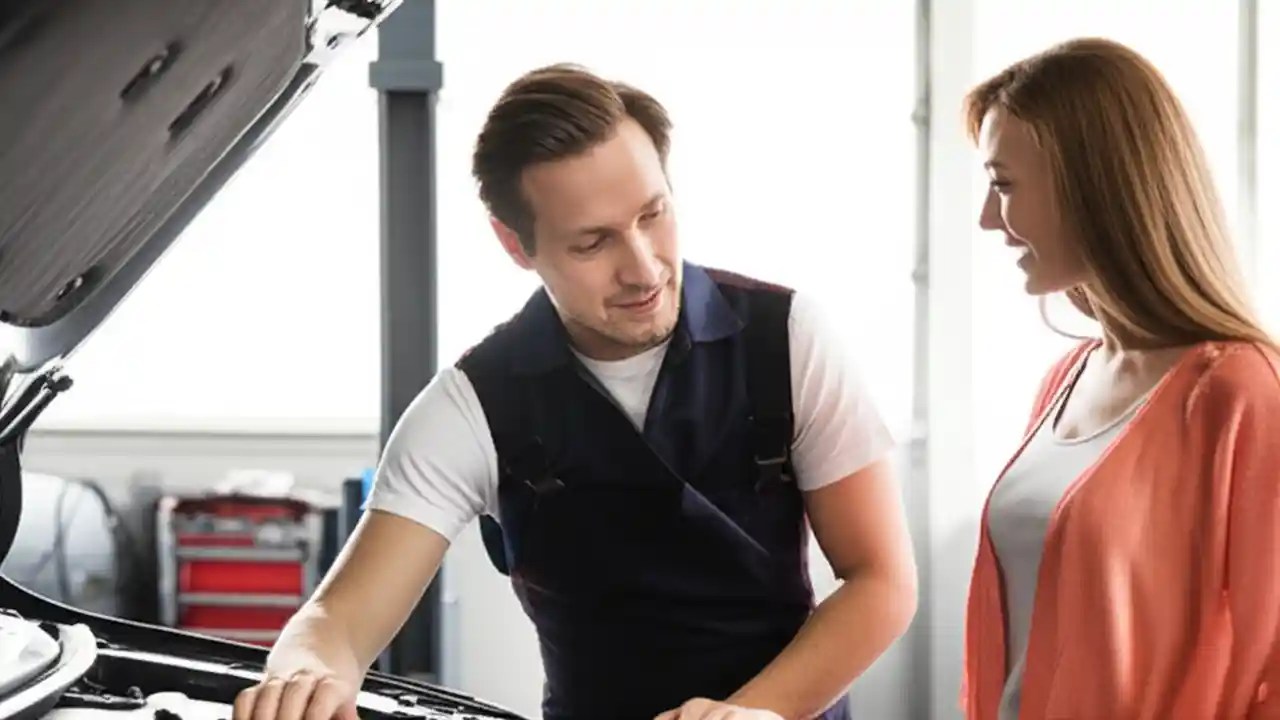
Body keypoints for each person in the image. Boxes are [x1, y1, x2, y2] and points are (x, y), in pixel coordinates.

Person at [232, 63, 917, 720]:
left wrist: (754, 712)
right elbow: (337, 620)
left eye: (653, 214)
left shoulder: (787, 338)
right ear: (515, 244)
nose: (643, 268)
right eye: (593, 244)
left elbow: (881, 580)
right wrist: (306, 672)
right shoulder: (473, 407)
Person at [959, 37, 1280, 719]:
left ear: (1094, 185)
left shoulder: (1241, 393)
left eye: (1003, 184)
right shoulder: (1066, 378)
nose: (988, 219)